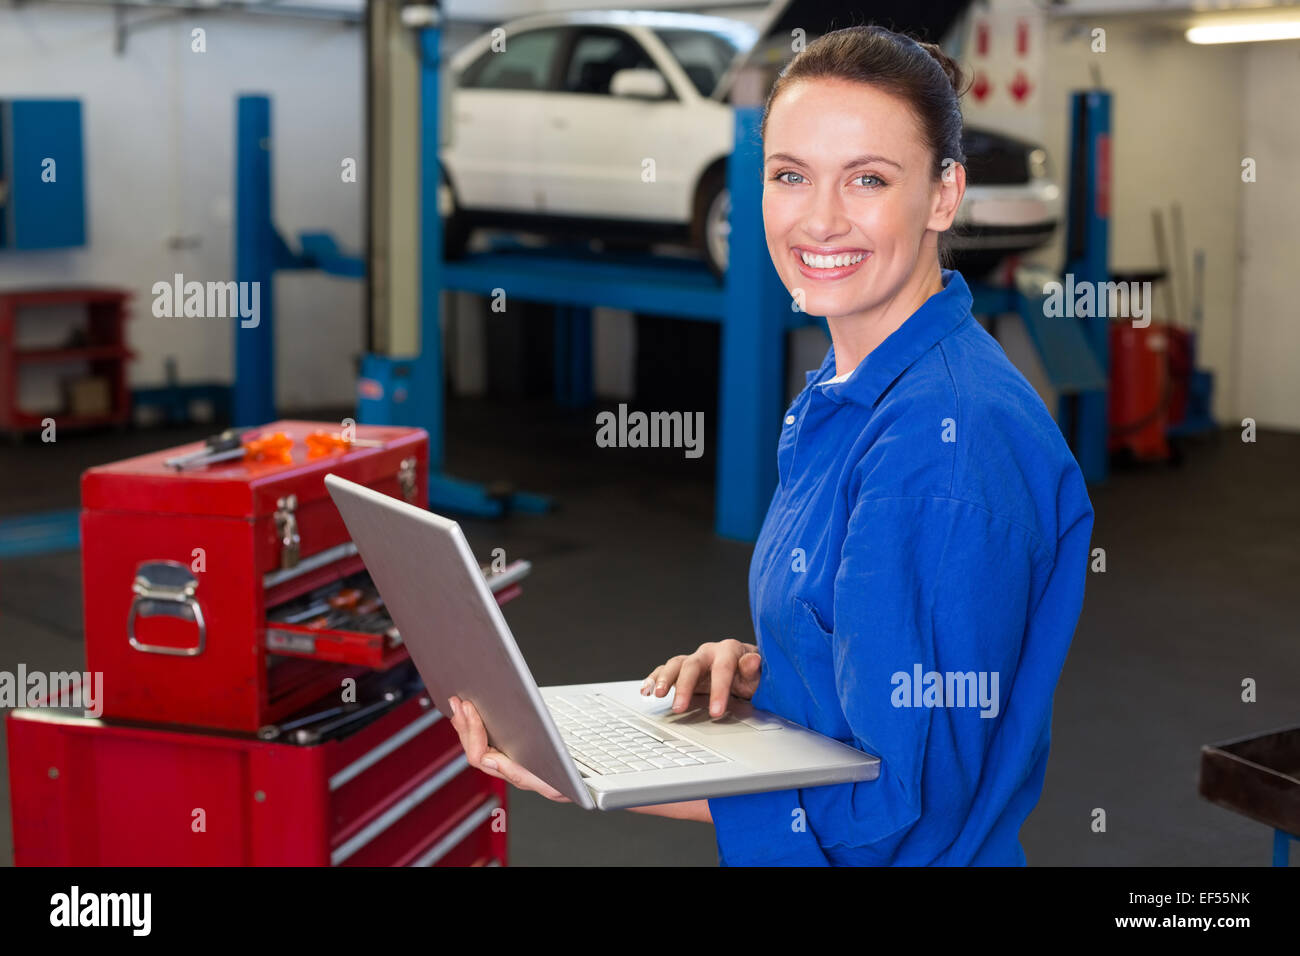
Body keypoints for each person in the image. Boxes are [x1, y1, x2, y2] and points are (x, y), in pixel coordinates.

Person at [447, 24, 1095, 865]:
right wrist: (773, 672)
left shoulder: (942, 443)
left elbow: (897, 804)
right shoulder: (846, 395)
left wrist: (586, 770)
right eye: (791, 175)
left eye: (867, 178)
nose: (819, 219)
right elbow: (876, 653)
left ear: (943, 196)